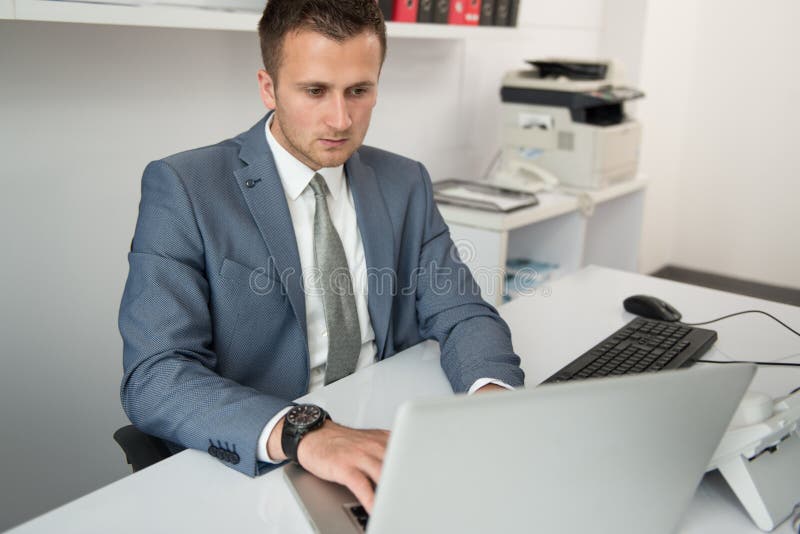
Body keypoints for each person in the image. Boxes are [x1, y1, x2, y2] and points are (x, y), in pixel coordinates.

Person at [118, 0, 524, 513]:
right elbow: (155, 373)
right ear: (268, 88)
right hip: (263, 456)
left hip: (388, 431)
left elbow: (461, 310)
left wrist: (492, 398)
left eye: (359, 91)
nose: (340, 118)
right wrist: (304, 432)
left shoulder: (405, 182)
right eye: (315, 91)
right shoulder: (186, 187)